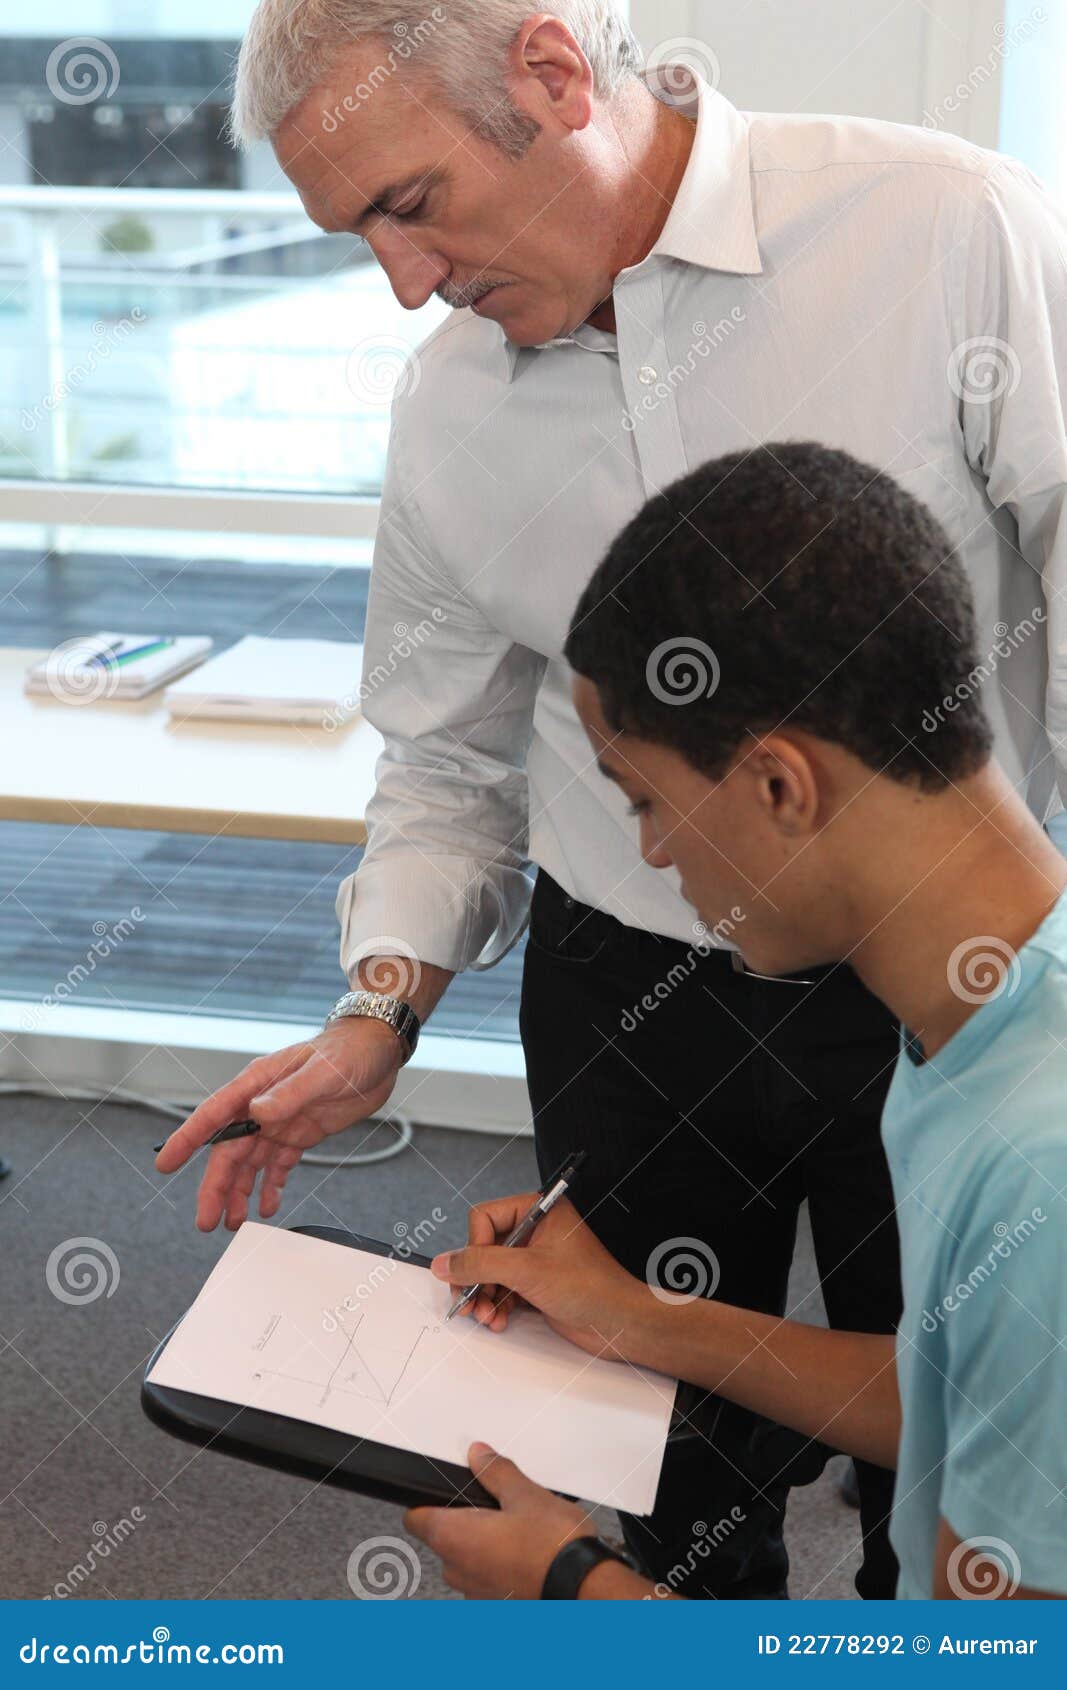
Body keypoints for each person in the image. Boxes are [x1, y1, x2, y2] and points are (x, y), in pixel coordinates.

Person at [156, 1, 1067, 1599]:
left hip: (936, 982)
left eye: (408, 203)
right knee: (638, 1441)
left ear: (551, 74)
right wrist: (378, 1008)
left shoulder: (944, 231)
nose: (402, 281)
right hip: (629, 986)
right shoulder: (444, 409)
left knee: (955, 1456)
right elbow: (443, 755)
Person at [404, 443, 1067, 1601]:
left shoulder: (1037, 1160)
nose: (650, 855)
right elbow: (978, 1394)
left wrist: (572, 1590)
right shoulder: (990, 997)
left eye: (648, 801)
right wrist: (637, 1317)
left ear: (778, 784)